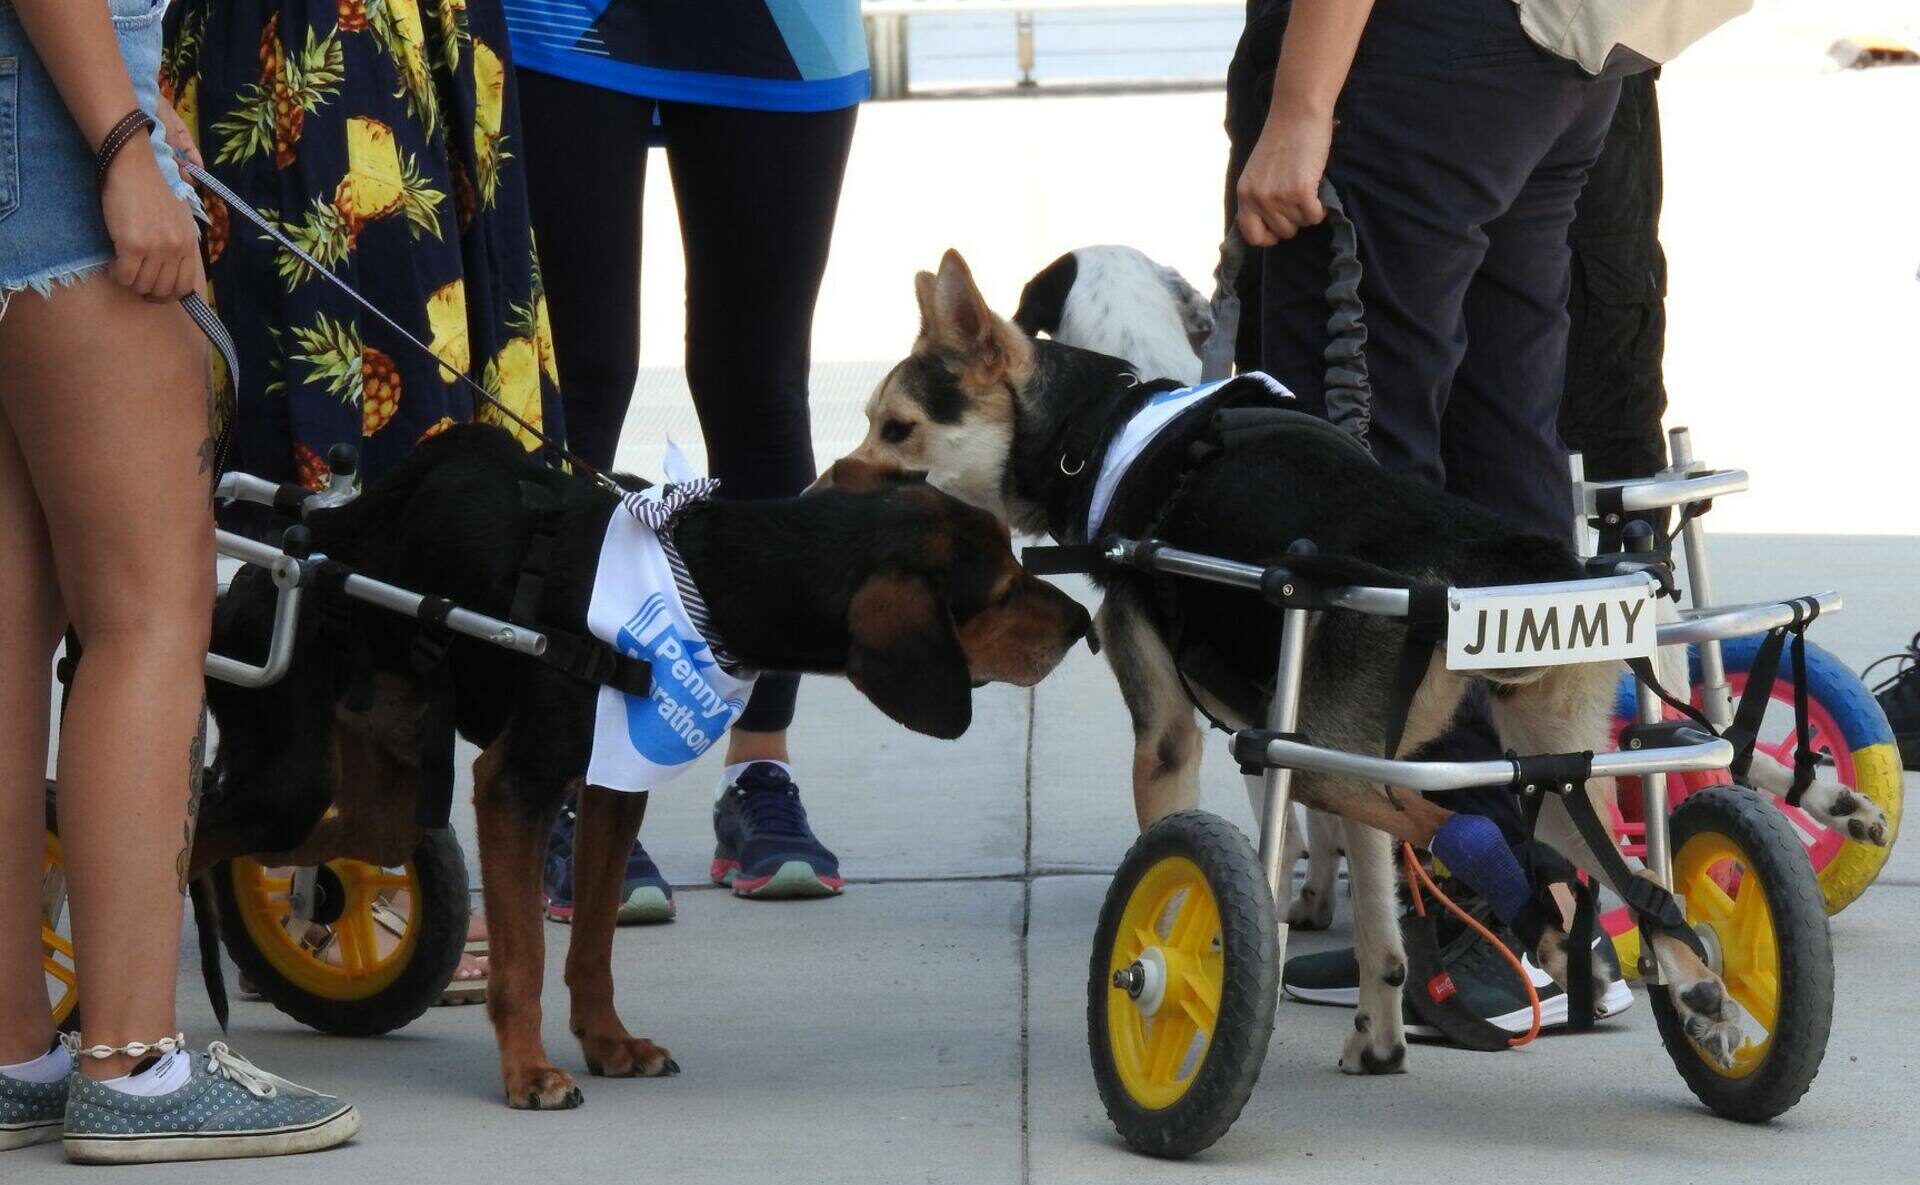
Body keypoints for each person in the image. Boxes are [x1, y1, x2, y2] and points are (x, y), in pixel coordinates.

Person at [1228, 0, 1639, 1034]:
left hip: (1419, 54)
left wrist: (1299, 102)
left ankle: (1474, 928)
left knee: (1354, 479)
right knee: (1504, 443)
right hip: (1560, 56)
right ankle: (1558, 916)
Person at [0, 0, 355, 1163]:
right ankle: (133, 1067)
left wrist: (140, 109)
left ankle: (15, 1056)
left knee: (10, 631)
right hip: (52, 145)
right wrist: (116, 138)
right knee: (150, 616)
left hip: (48, 114)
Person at [161, 0, 574, 994]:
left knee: (437, 446)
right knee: (303, 456)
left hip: (427, 42)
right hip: (286, 45)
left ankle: (375, 828)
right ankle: (295, 817)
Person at [506, 2, 866, 906]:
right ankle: (557, 782)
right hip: (559, 20)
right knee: (575, 382)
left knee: (759, 388)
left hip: (783, 22)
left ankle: (760, 771)